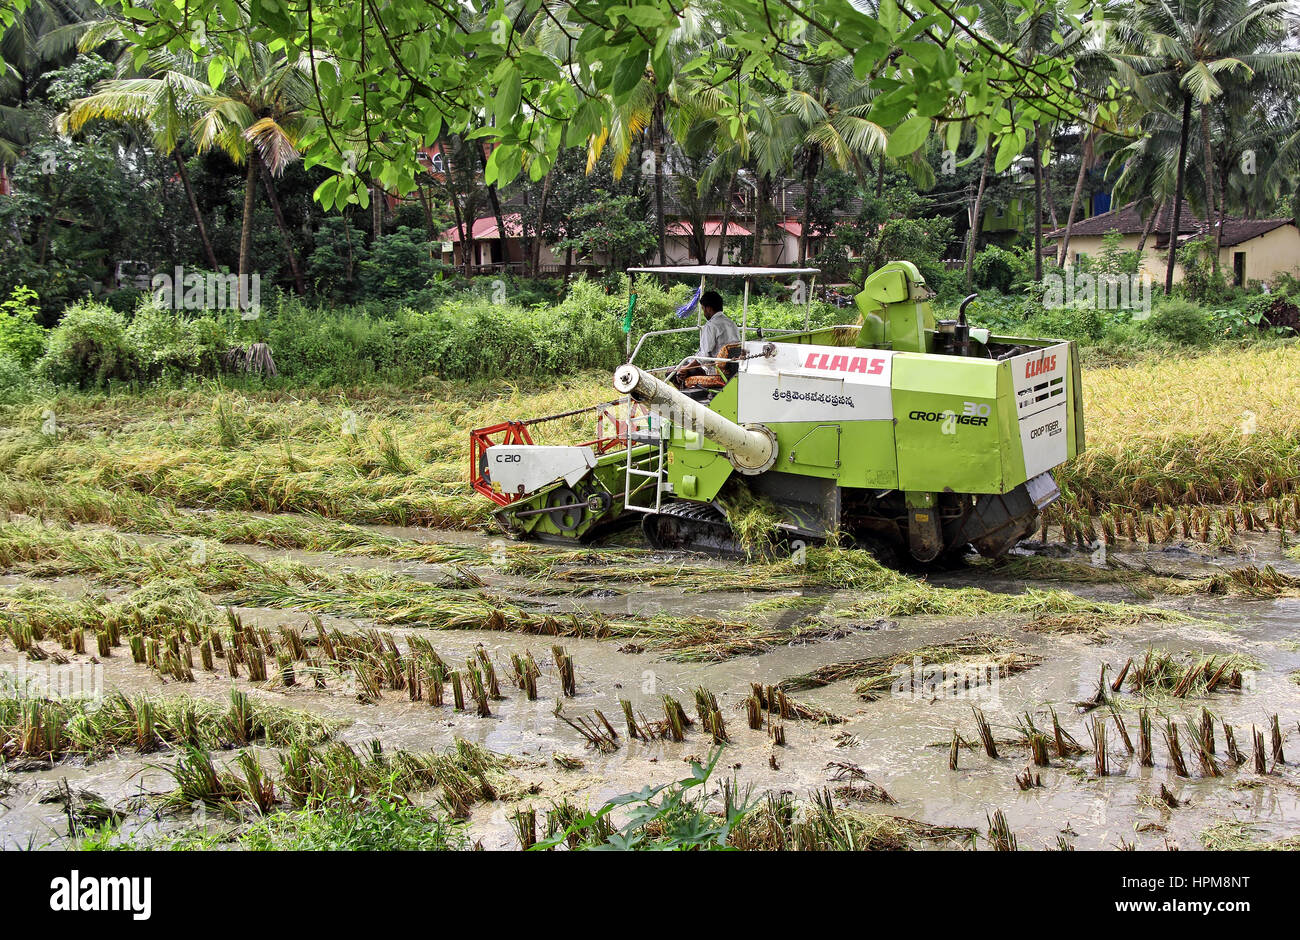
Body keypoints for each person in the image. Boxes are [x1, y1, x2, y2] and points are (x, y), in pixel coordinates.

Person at [688, 290, 740, 375]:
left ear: (708, 308)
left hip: (715, 371)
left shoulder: (711, 326)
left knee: (674, 373)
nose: (704, 313)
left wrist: (686, 367)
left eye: (703, 309)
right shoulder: (731, 323)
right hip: (732, 369)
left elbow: (703, 356)